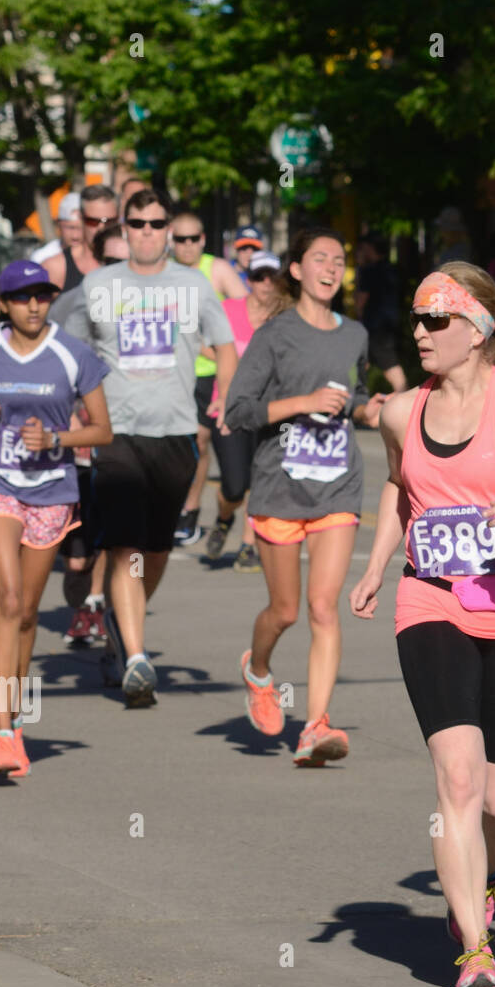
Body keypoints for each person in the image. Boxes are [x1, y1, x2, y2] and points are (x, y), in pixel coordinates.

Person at [350, 264, 495, 987]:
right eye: (416, 318)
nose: (420, 332)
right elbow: (402, 488)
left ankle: (485, 870)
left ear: (478, 328)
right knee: (457, 780)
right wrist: (376, 565)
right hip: (432, 602)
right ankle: (474, 951)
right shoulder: (401, 412)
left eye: (436, 319)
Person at [63, 188, 237, 707]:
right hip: (115, 433)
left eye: (156, 224)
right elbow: (72, 352)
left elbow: (225, 347)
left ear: (167, 229)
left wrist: (224, 395)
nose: (146, 232)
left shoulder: (193, 285)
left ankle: (122, 620)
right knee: (126, 546)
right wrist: (76, 405)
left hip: (176, 432)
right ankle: (137, 657)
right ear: (123, 226)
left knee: (156, 550)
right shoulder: (98, 285)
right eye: (136, 223)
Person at [224, 228, 375, 763]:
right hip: (280, 489)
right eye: (320, 259)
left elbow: (351, 395)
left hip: (338, 485)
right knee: (285, 611)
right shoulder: (274, 334)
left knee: (322, 606)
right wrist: (301, 402)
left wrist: (366, 408)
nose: (331, 268)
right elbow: (237, 411)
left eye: (339, 259)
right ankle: (257, 669)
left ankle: (315, 725)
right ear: (297, 270)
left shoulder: (353, 334)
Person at [0, 260, 111, 776]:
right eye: (22, 297)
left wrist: (57, 440)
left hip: (52, 490)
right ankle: (2, 730)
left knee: (27, 614)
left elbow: (103, 431)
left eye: (42, 296)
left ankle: (14, 718)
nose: (33, 305)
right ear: (3, 303)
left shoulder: (71, 354)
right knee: (9, 597)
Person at [59, 225, 130, 648]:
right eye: (110, 262)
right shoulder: (76, 304)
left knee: (122, 535)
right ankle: (84, 598)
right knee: (78, 553)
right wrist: (66, 416)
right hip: (82, 440)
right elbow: (56, 368)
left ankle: (104, 606)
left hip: (131, 441)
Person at [167, 211, 249, 548]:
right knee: (177, 445)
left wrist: (220, 353)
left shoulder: (217, 270)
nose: (186, 246)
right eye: (180, 239)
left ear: (202, 240)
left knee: (201, 442)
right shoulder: (162, 271)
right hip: (173, 373)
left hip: (212, 375)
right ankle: (175, 509)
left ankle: (190, 509)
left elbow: (246, 315)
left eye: (192, 239)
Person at [204, 252, 285, 571]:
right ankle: (224, 518)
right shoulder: (227, 310)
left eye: (272, 277)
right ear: (247, 281)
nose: (266, 284)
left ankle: (247, 546)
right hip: (228, 406)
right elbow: (199, 342)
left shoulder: (285, 317)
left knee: (261, 479)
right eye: (259, 277)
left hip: (269, 410)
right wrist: (233, 375)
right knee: (235, 486)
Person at [353, 234, 407, 400]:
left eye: (363, 248)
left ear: (370, 249)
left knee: (390, 365)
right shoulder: (391, 268)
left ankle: (406, 401)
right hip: (388, 322)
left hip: (374, 326)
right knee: (360, 362)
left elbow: (360, 300)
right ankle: (353, 399)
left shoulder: (369, 270)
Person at [45, 185, 118, 297]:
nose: (101, 228)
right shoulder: (57, 268)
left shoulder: (131, 264)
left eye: (109, 221)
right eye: (93, 221)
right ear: (81, 218)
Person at [30, 194, 83, 266]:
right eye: (71, 228)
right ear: (59, 224)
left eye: (81, 228)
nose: (75, 236)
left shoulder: (96, 257)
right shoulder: (41, 257)